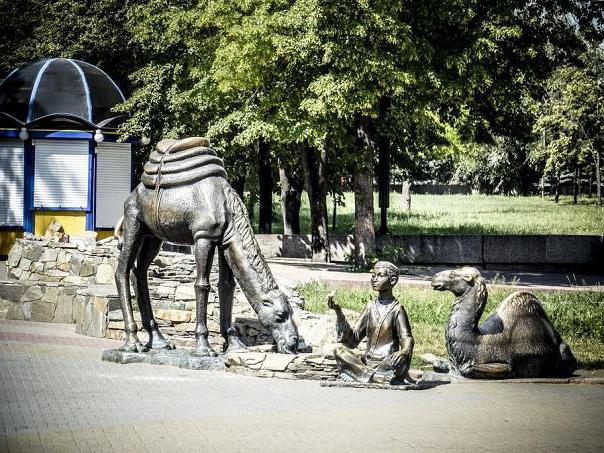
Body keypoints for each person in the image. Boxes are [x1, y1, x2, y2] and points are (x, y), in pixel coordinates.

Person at [327, 261, 414, 384]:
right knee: (339, 351)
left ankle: (362, 375)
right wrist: (338, 312)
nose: (375, 279)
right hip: (367, 362)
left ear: (393, 280)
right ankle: (374, 377)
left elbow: (406, 337)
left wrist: (404, 352)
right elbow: (352, 340)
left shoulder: (397, 309)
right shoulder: (370, 307)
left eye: (380, 275)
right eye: (373, 275)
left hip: (387, 362)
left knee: (398, 362)